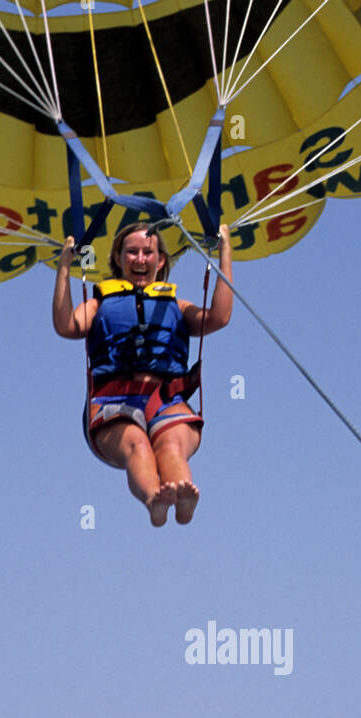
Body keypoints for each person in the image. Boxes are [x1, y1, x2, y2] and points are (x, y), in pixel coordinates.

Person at [53, 222, 233, 527]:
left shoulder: (175, 304)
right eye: (132, 252)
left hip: (165, 399)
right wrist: (64, 268)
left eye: (147, 252)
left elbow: (219, 317)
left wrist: (224, 252)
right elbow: (66, 326)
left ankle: (183, 497)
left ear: (160, 260)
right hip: (113, 402)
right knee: (137, 444)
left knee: (171, 445)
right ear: (119, 258)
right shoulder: (98, 304)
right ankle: (154, 499)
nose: (139, 259)